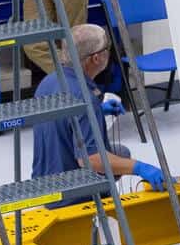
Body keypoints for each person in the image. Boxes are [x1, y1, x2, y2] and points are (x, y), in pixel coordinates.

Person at [30, 23, 163, 189]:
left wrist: (98, 111)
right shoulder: (84, 96)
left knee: (121, 152)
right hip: (71, 192)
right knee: (120, 158)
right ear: (96, 58)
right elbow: (91, 159)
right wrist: (140, 168)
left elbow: (65, 121)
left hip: (44, 181)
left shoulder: (49, 82)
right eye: (107, 48)